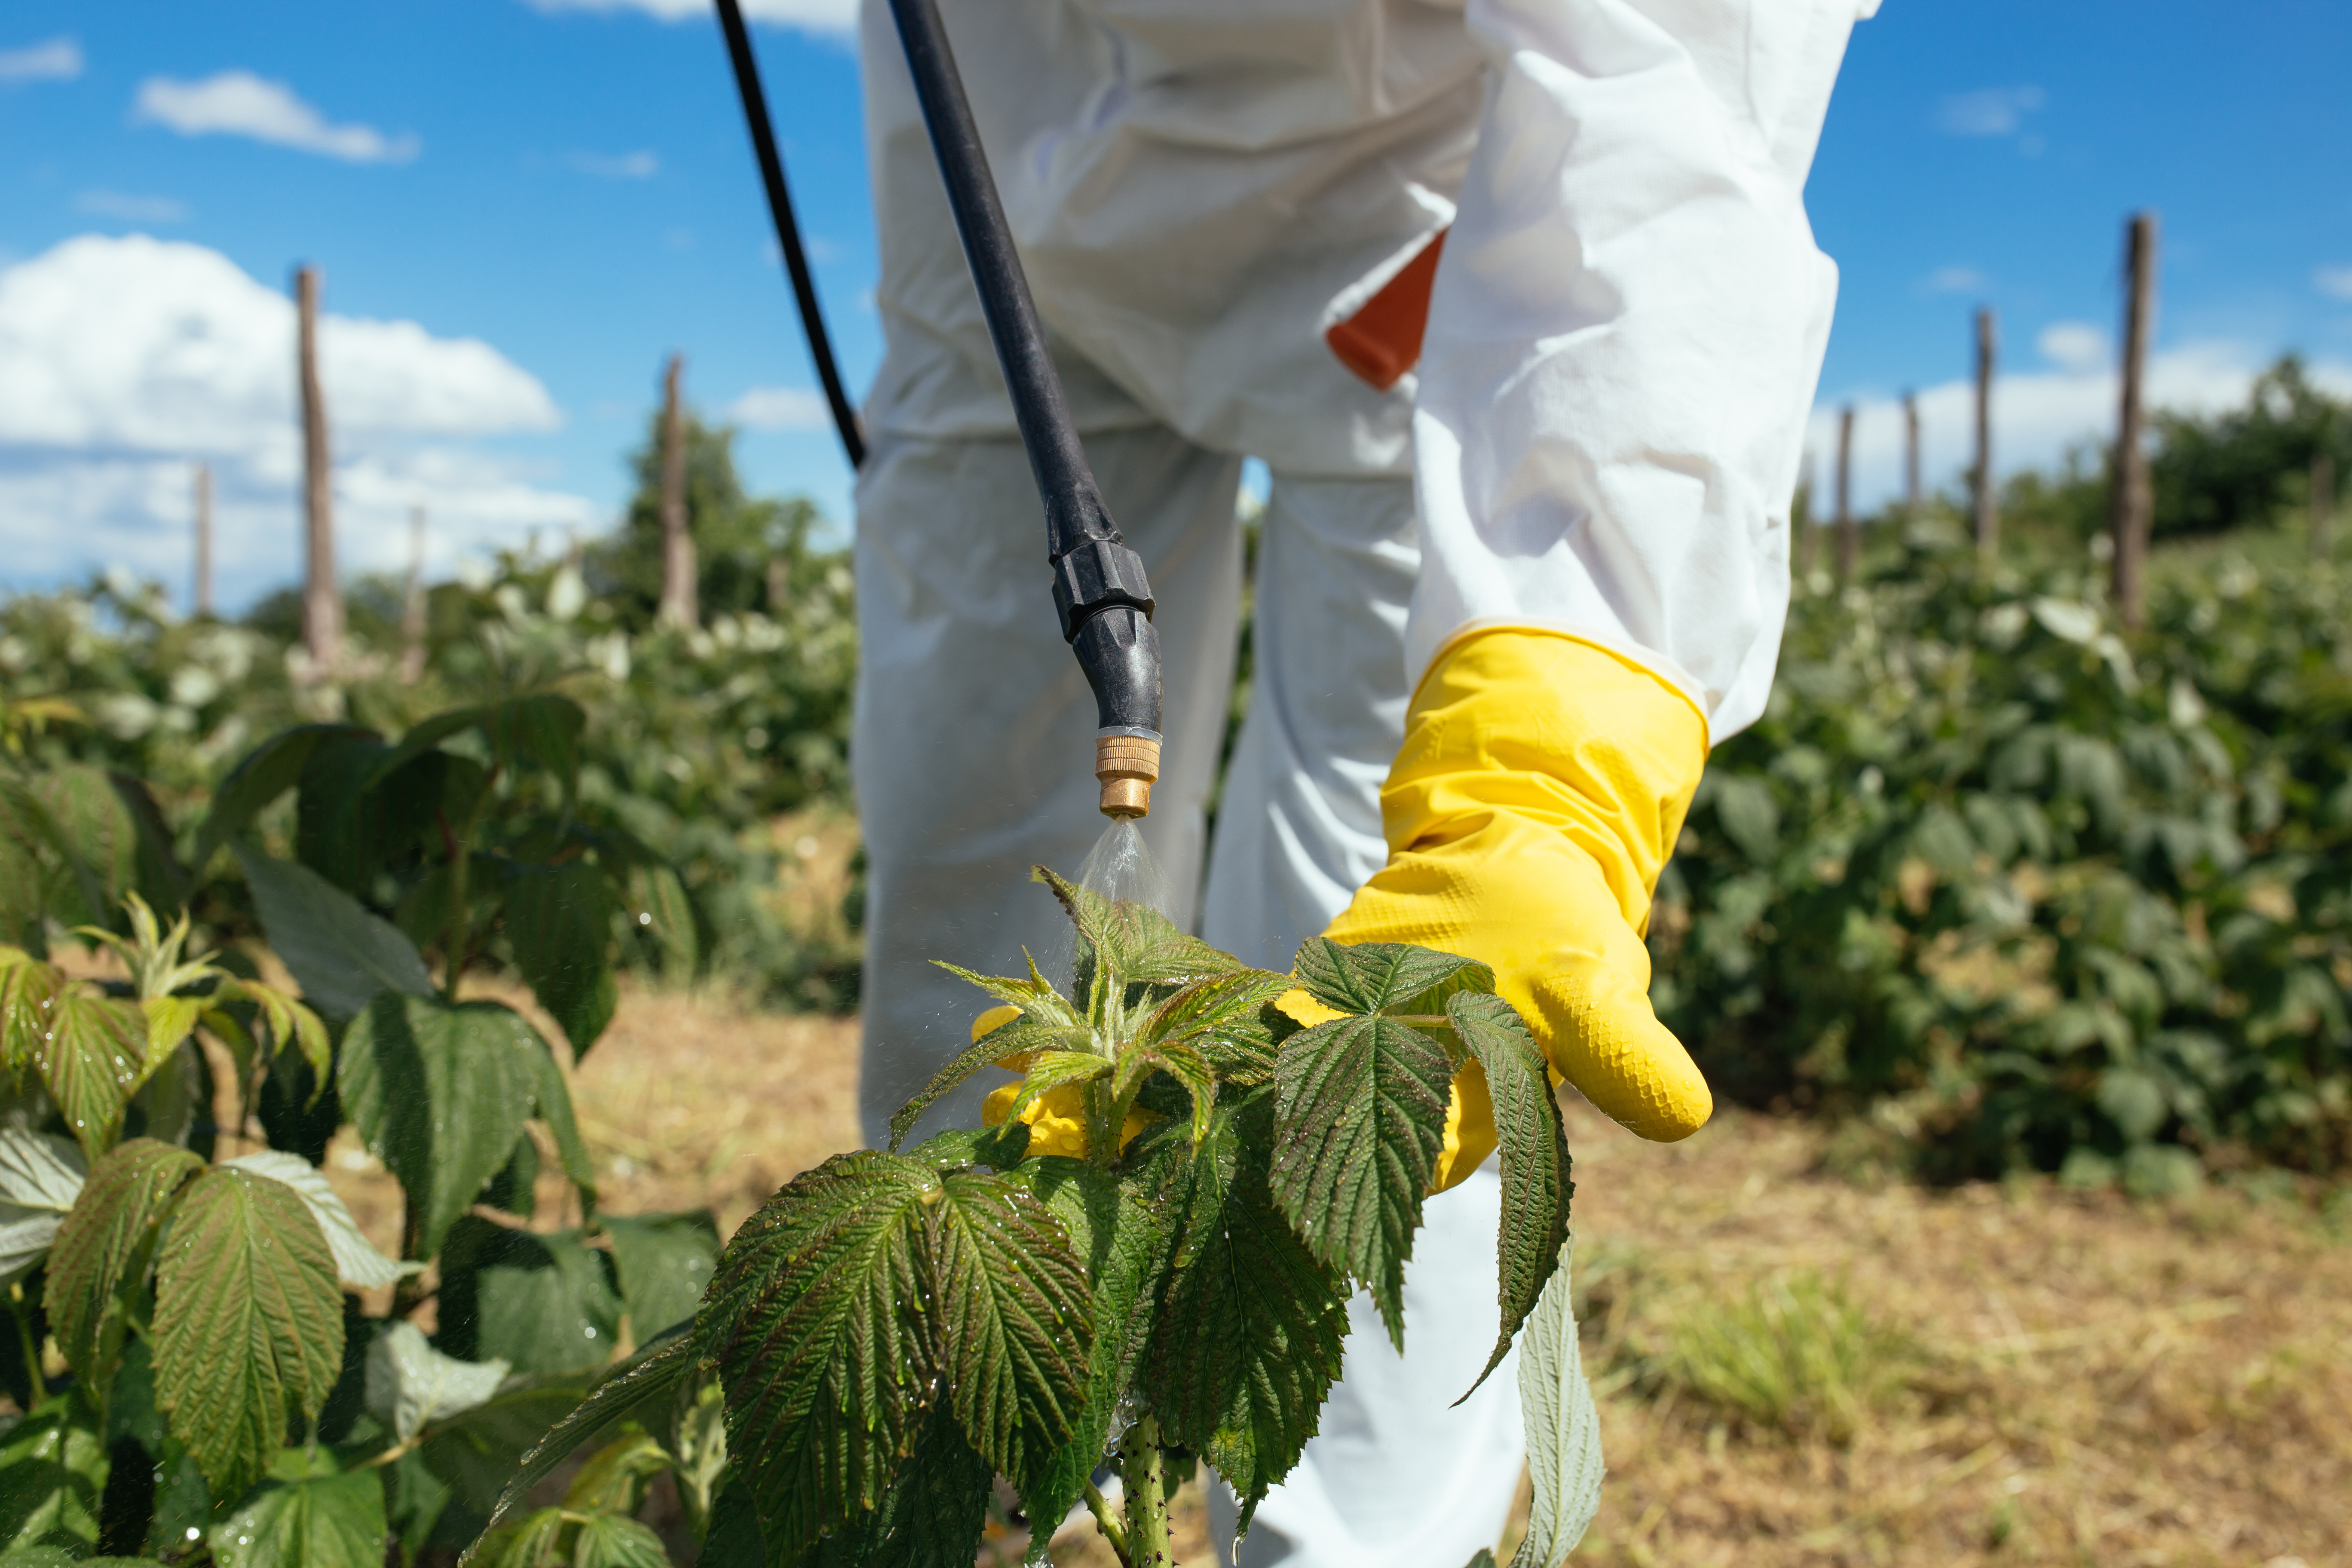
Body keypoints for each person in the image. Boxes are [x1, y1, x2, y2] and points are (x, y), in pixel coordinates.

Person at [848, 2, 1875, 1562]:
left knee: (1387, 984)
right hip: (995, 132)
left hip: (1425, 215)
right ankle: (987, 1462)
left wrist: (1544, 757)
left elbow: (1683, 81)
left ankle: (1347, 1541)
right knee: (971, 877)